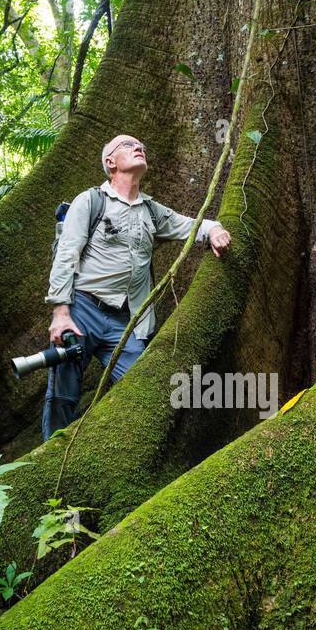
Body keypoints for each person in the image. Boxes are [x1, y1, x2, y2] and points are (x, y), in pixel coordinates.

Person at [41, 134, 232, 438]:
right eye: (128, 146)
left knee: (142, 389)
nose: (138, 147)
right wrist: (60, 313)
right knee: (63, 393)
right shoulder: (91, 201)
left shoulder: (151, 211)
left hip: (125, 322)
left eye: (141, 145)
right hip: (82, 310)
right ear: (110, 162)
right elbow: (67, 254)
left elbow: (194, 225)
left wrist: (216, 230)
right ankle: (49, 457)